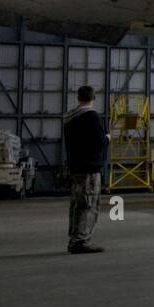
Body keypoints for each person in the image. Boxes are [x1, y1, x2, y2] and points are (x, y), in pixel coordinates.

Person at [62, 85, 108, 255]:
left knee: (76, 204)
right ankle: (81, 241)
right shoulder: (91, 116)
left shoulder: (69, 117)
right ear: (93, 98)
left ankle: (75, 238)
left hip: (75, 166)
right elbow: (98, 142)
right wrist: (107, 138)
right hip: (89, 168)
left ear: (78, 98)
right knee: (87, 204)